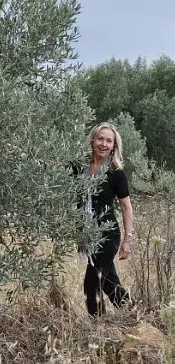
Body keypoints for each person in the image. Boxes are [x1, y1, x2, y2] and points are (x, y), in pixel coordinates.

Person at [77, 122, 134, 317]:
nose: (104, 144)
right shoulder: (79, 168)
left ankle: (97, 331)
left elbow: (126, 207)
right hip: (87, 236)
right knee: (109, 283)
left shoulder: (116, 173)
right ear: (93, 140)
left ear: (114, 146)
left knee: (91, 285)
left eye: (109, 141)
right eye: (100, 139)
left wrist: (127, 240)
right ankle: (133, 315)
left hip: (107, 236)